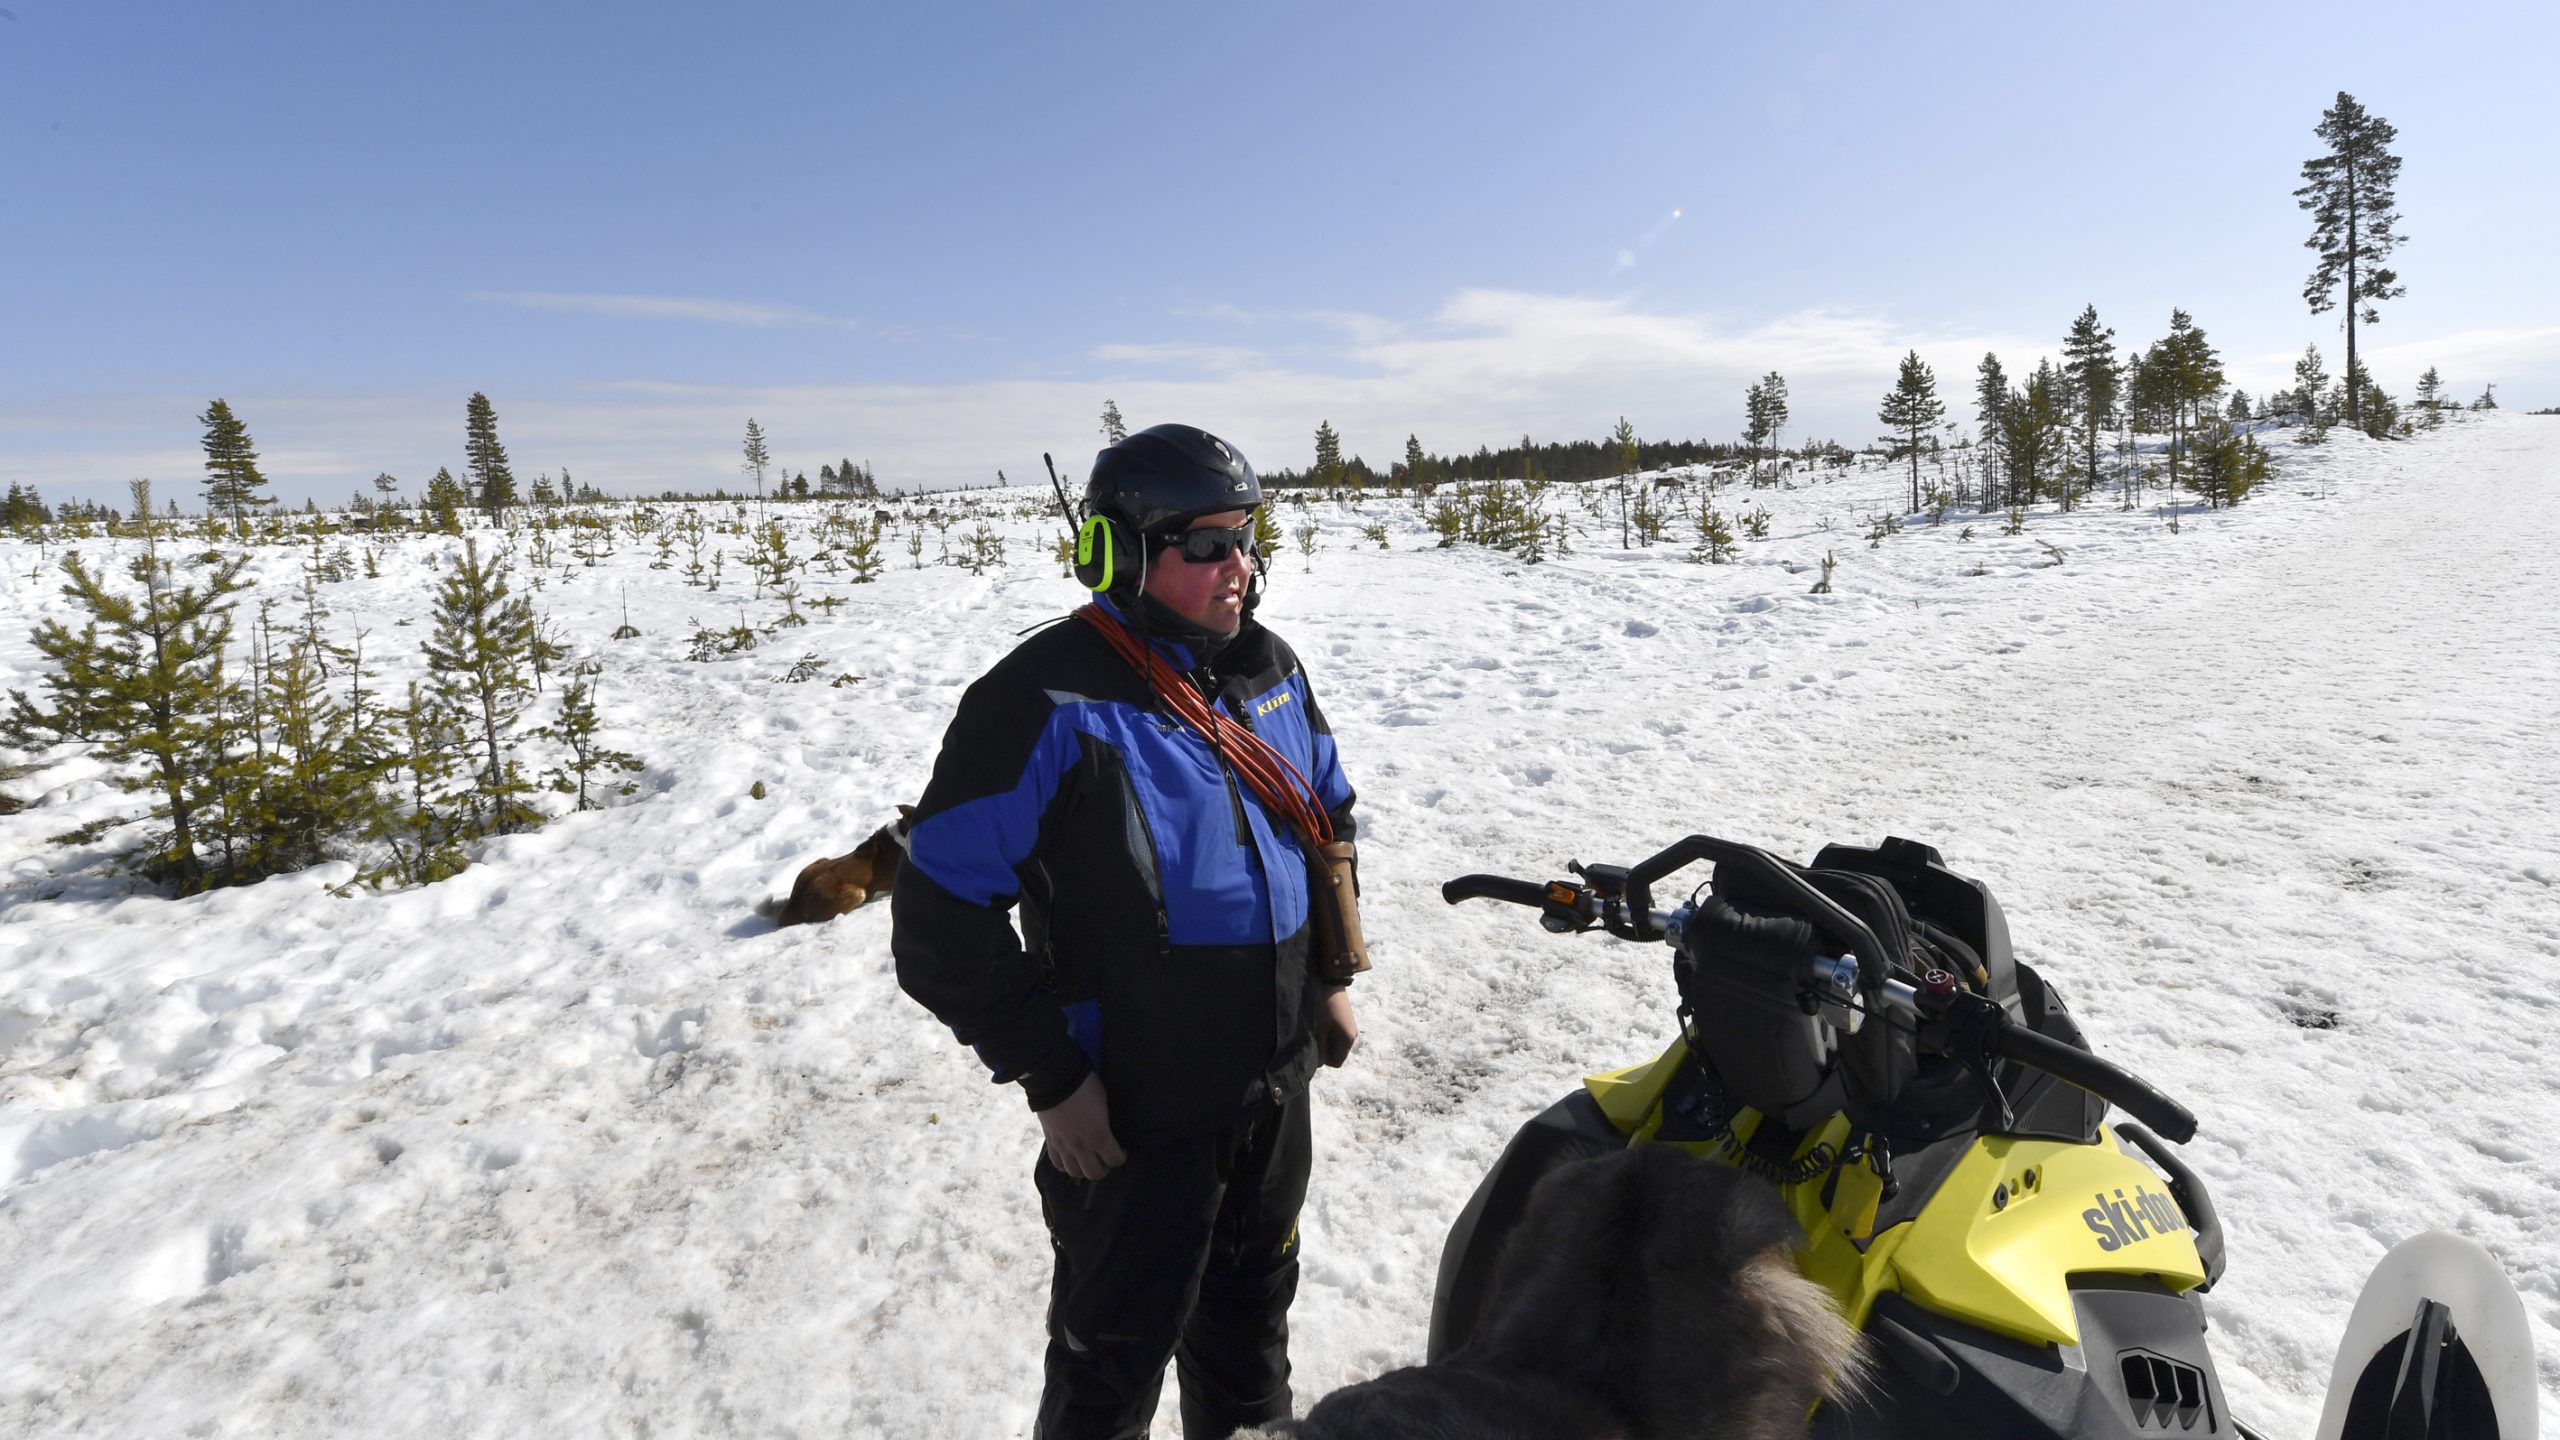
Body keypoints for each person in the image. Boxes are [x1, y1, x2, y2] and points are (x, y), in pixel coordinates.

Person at [893, 423, 1361, 1439]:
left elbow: (1328, 817)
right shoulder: (1039, 700)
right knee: (1110, 1376)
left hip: (1275, 1094)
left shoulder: (1269, 669)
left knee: (1250, 1352)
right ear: (1120, 552)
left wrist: (1329, 974)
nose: (1240, 566)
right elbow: (937, 919)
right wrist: (1054, 1081)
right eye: (1206, 545)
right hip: (1134, 1124)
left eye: (1247, 536)